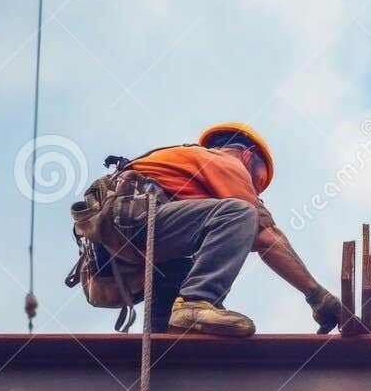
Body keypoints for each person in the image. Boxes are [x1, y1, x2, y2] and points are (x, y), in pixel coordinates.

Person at [124, 122, 340, 336]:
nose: (254, 190)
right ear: (247, 155)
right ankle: (195, 302)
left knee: (184, 267)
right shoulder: (224, 160)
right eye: (258, 180)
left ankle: (170, 338)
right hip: (134, 222)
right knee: (243, 212)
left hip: (119, 240)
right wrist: (317, 295)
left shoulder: (190, 171)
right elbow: (267, 237)